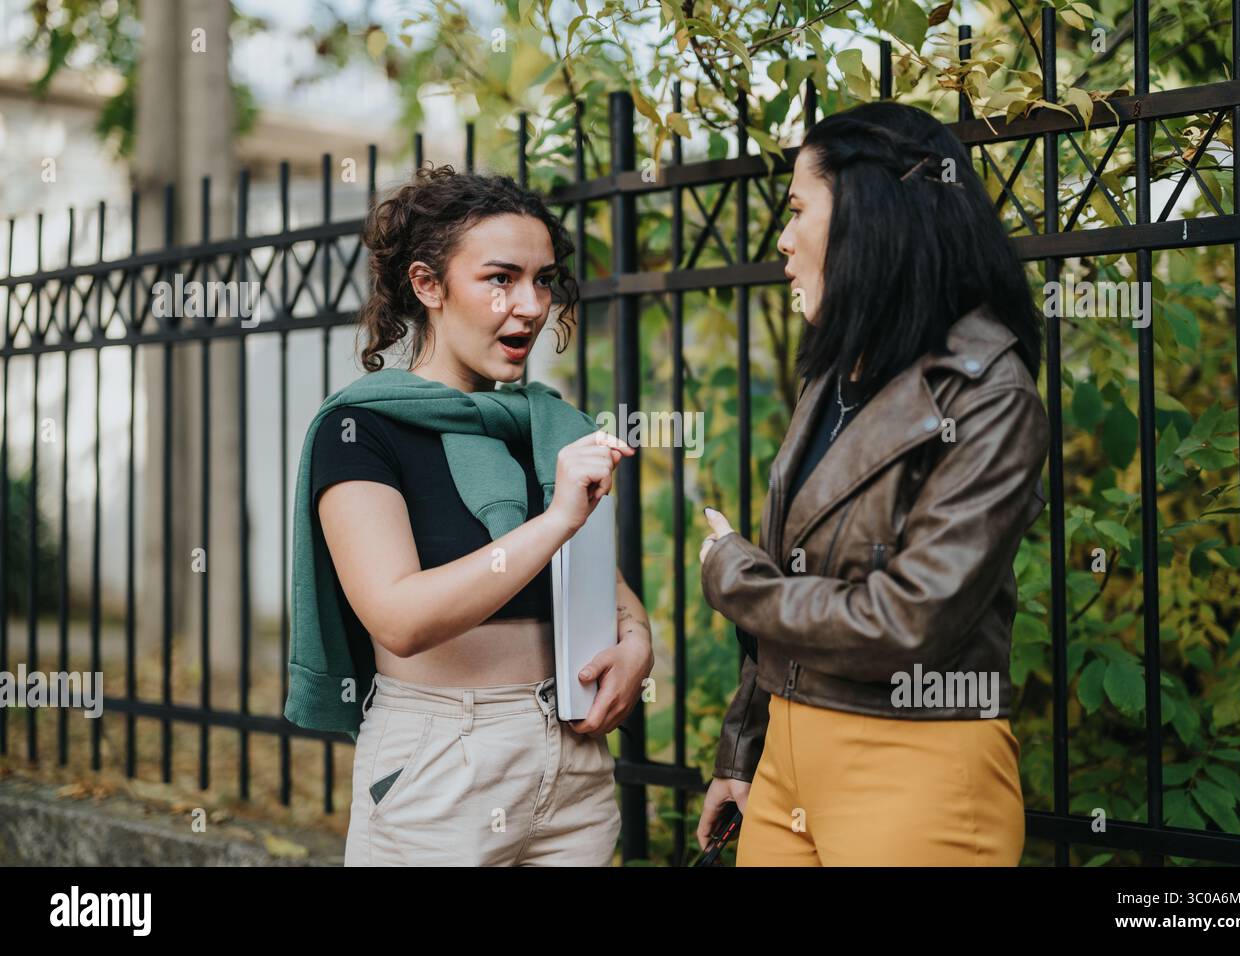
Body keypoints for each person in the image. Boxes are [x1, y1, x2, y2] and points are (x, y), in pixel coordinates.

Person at [696, 101, 1050, 866]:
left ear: (870, 215)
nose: (783, 242)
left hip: (915, 760)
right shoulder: (836, 374)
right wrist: (743, 747)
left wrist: (732, 573)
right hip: (785, 760)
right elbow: (808, 584)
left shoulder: (987, 392)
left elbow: (907, 622)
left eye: (796, 210)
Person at [287, 163, 652, 866]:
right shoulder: (363, 429)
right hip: (439, 763)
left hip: (572, 762)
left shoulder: (549, 425)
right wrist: (553, 521)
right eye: (500, 278)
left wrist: (637, 638)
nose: (531, 304)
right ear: (428, 285)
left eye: (544, 279)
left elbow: (600, 586)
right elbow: (399, 618)